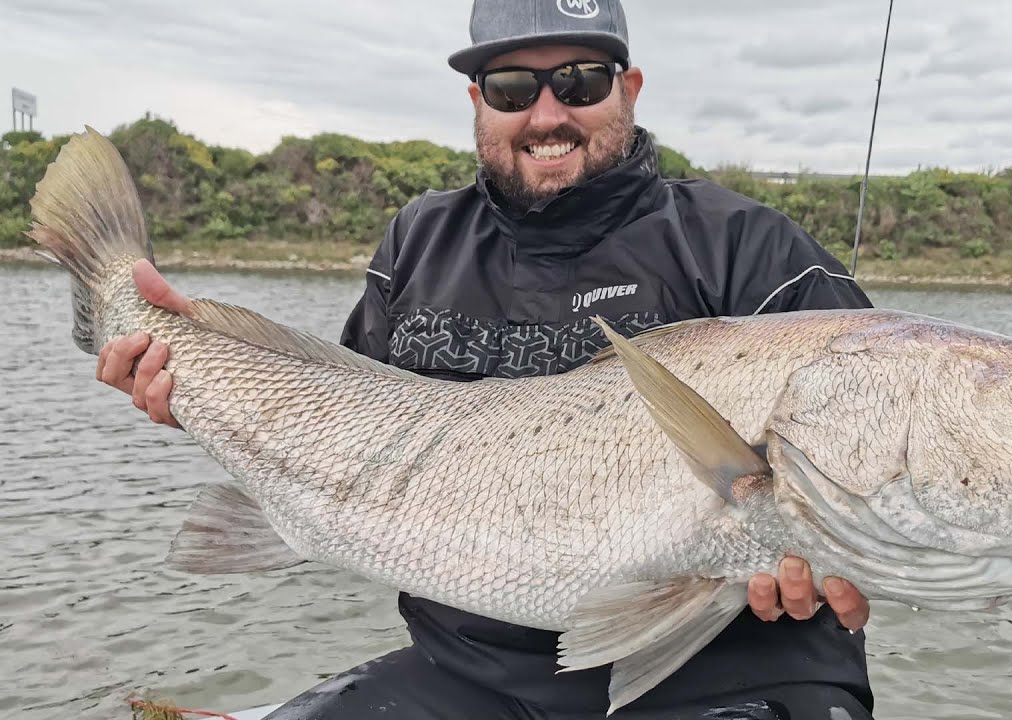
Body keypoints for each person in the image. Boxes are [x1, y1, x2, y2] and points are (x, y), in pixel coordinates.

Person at [95, 1, 880, 717]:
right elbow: (331, 424)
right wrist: (182, 385)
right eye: (511, 87)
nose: (547, 113)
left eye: (580, 81)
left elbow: (871, 466)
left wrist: (841, 556)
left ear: (629, 87)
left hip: (739, 671)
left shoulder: (756, 248)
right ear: (476, 101)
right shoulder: (417, 240)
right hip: (467, 672)